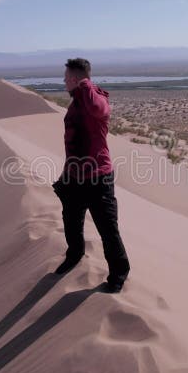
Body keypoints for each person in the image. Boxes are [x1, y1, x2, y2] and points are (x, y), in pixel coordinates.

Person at [51, 58, 130, 293]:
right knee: (71, 222)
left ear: (77, 79)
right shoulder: (76, 102)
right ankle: (74, 255)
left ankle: (119, 274)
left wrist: (85, 83)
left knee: (108, 229)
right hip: (75, 177)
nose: (64, 81)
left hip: (98, 178)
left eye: (67, 78)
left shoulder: (97, 99)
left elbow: (99, 109)